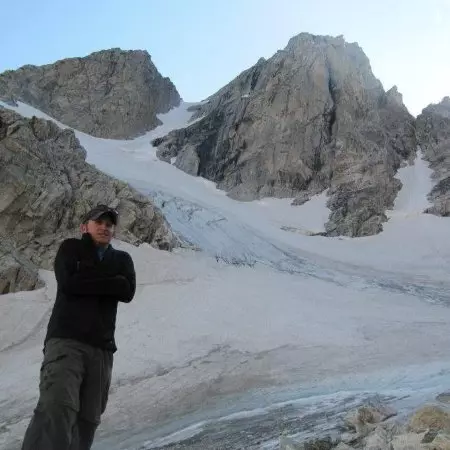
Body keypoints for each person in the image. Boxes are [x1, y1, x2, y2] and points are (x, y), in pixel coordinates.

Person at [22, 204, 136, 450]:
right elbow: (69, 283)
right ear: (85, 226)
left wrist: (87, 276)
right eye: (99, 223)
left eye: (109, 224)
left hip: (102, 348)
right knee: (58, 403)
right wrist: (111, 281)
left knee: (89, 417)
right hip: (66, 340)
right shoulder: (71, 248)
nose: (105, 227)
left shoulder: (122, 258)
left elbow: (127, 291)